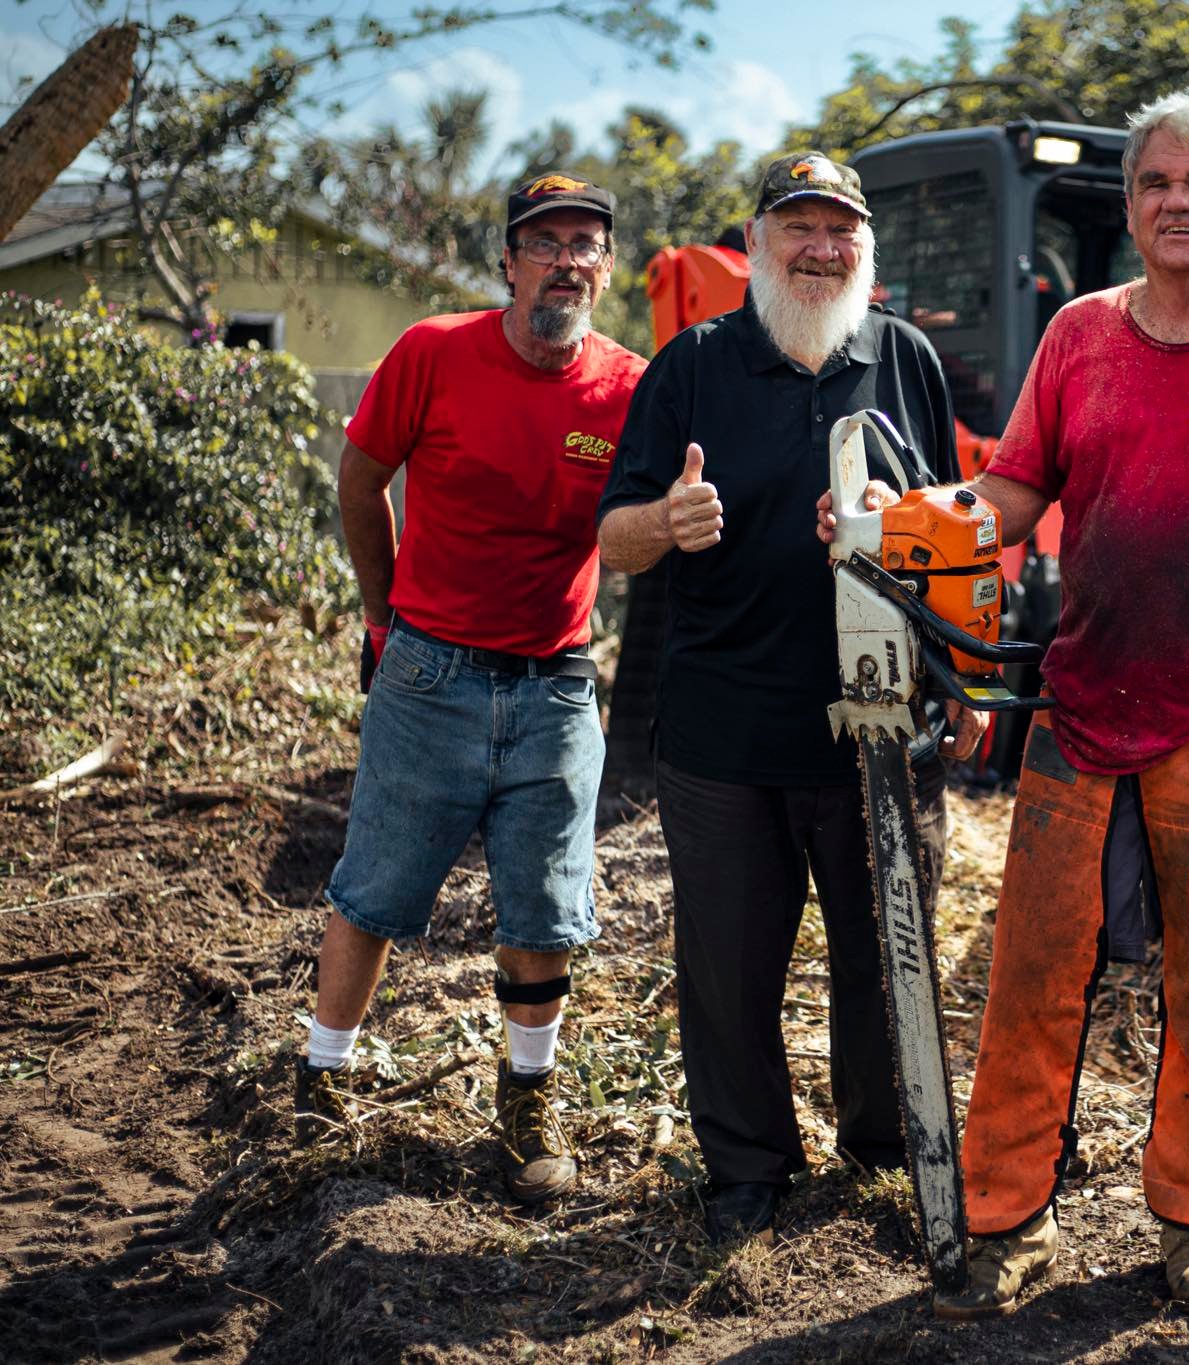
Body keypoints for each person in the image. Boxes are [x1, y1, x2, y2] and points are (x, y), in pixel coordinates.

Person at [819, 89, 1189, 1317]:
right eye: (1154, 184)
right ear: (1132, 205)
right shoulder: (1081, 337)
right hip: (1083, 703)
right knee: (1032, 975)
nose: (1174, 203)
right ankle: (1002, 1221)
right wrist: (903, 531)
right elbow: (1012, 490)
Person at [595, 152, 965, 1244]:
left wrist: (899, 529)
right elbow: (612, 540)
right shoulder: (692, 364)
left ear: (864, 249)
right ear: (753, 244)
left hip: (881, 731)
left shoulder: (904, 358)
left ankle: (883, 1140)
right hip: (724, 736)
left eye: (839, 229)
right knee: (728, 967)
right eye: (796, 227)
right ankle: (748, 1169)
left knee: (884, 950)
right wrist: (669, 520)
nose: (819, 248)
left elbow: (952, 521)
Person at [294, 174, 647, 1204]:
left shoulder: (628, 386)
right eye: (545, 243)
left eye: (586, 244)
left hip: (558, 684)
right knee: (376, 888)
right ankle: (322, 1073)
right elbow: (360, 481)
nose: (566, 260)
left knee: (544, 909)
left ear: (605, 267)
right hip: (429, 670)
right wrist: (379, 616)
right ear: (507, 261)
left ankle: (525, 1107)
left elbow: (641, 527)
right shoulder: (434, 352)